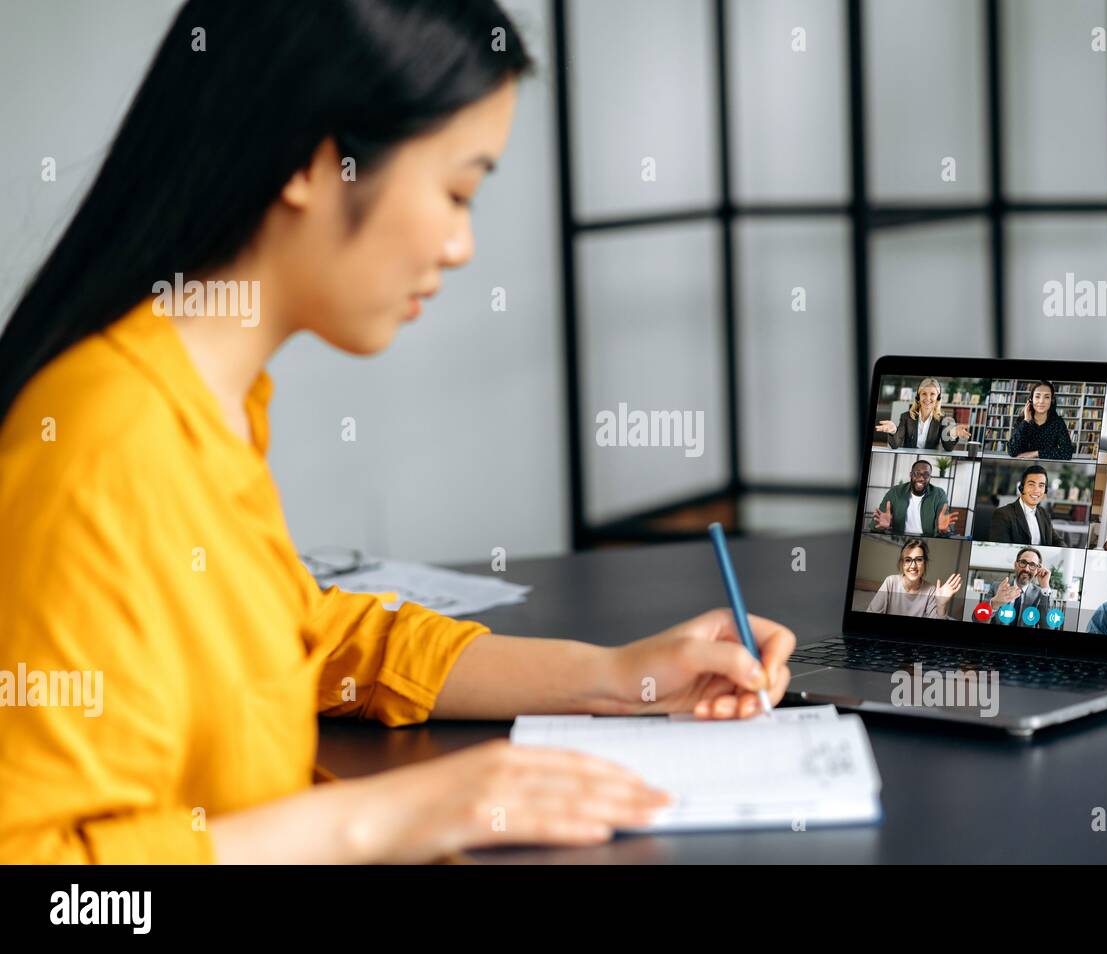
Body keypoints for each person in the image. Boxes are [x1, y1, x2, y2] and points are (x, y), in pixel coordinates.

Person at [0, 1, 797, 864]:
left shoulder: (211, 404)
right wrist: (384, 819)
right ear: (316, 163)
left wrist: (622, 678)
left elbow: (326, 641)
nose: (461, 247)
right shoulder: (108, 446)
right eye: (456, 192)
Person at [864, 538, 963, 618]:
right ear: (902, 564)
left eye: (919, 559)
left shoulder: (931, 591)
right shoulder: (890, 582)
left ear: (925, 563)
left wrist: (941, 605)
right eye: (908, 560)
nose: (913, 566)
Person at [875, 377, 971, 450]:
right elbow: (895, 444)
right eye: (924, 394)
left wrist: (954, 433)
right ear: (918, 397)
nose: (927, 398)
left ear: (938, 398)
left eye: (932, 394)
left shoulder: (943, 419)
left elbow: (948, 447)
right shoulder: (906, 417)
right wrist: (893, 431)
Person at [871, 459, 960, 537]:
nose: (921, 478)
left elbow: (945, 525)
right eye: (916, 473)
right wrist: (881, 527)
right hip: (901, 539)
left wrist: (944, 530)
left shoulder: (939, 494)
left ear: (930, 477)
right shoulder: (895, 492)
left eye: (926, 475)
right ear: (910, 475)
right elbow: (874, 525)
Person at [988, 464, 1067, 546]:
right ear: (1022, 488)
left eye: (1041, 485)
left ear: (1045, 490)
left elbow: (1057, 541)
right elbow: (999, 549)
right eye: (1031, 484)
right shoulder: (1003, 514)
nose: (1036, 490)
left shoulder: (1044, 514)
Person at [975, 547, 1053, 628]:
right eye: (1023, 562)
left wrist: (1045, 586)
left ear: (1037, 569)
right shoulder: (997, 587)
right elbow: (976, 619)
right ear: (1015, 565)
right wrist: (994, 604)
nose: (1026, 569)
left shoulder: (1041, 594)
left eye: (1032, 565)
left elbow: (1047, 626)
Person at [1007, 380, 1075, 460]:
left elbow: (1067, 452)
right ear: (1031, 400)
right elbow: (1012, 451)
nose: (1041, 401)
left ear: (1051, 400)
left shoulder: (1058, 422)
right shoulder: (1022, 420)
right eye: (1037, 396)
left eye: (1046, 397)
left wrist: (1036, 453)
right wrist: (1026, 421)